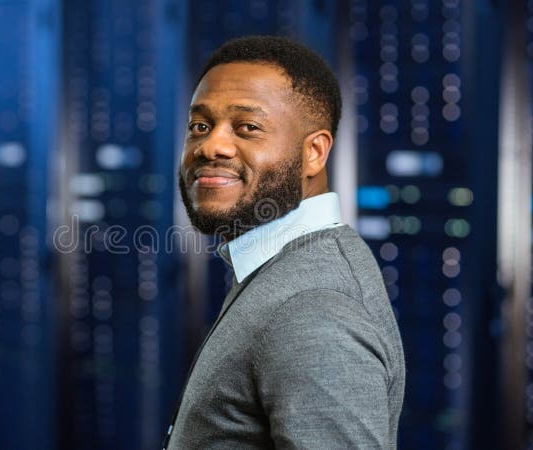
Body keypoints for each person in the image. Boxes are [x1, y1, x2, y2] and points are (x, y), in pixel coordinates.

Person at [166, 35, 405, 449]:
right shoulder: (281, 269)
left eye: (248, 128)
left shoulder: (315, 309)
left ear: (314, 153)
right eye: (200, 126)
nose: (211, 145)